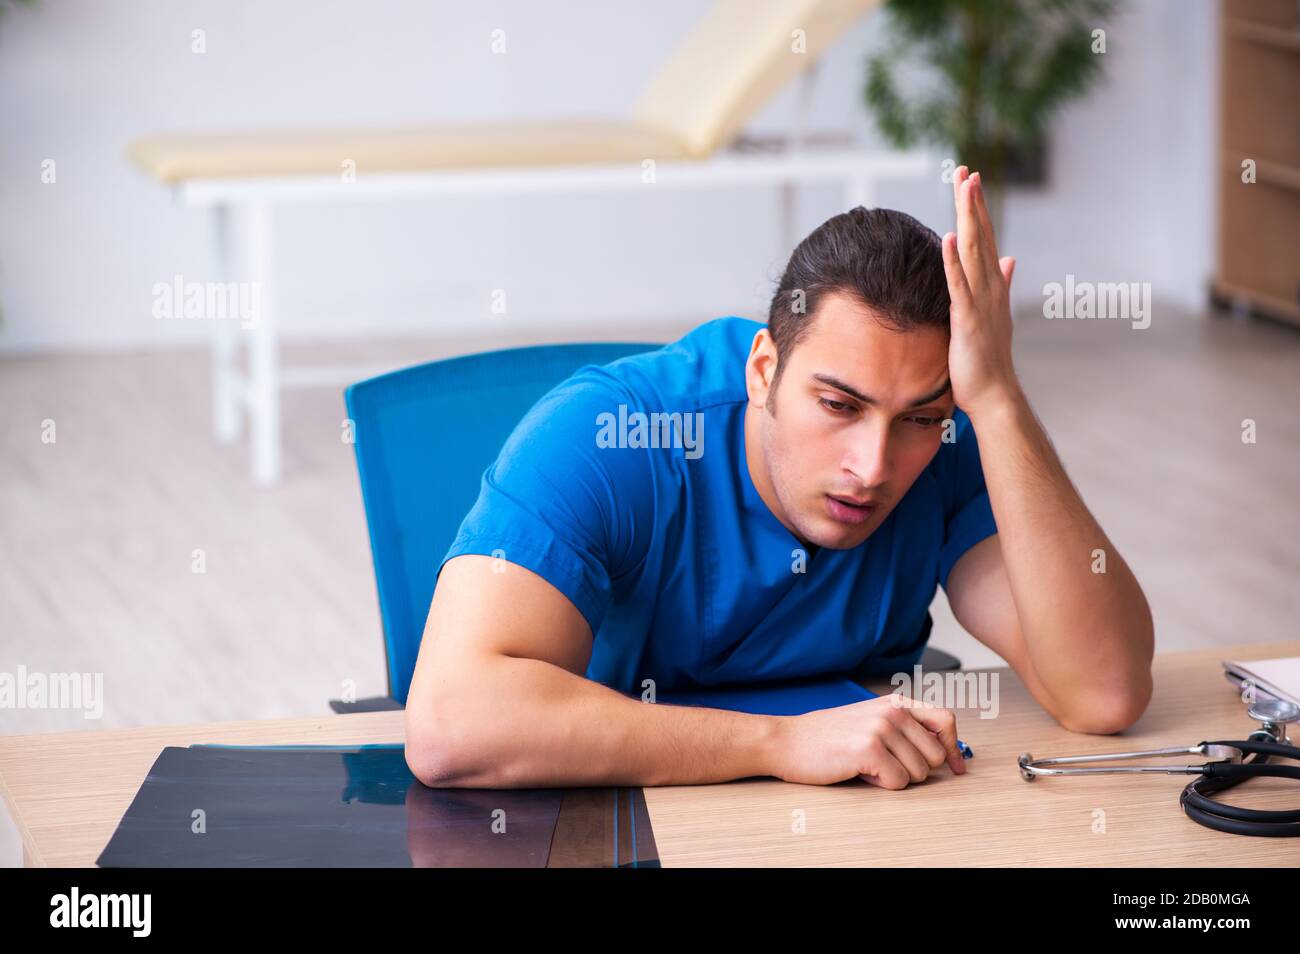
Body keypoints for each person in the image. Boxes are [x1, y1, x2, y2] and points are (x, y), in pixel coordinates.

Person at [404, 166, 1154, 791]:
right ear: (764, 369)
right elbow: (451, 724)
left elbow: (1103, 689)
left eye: (920, 417)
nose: (873, 465)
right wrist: (781, 744)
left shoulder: (950, 438)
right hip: (622, 822)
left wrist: (996, 398)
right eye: (837, 405)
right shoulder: (611, 434)